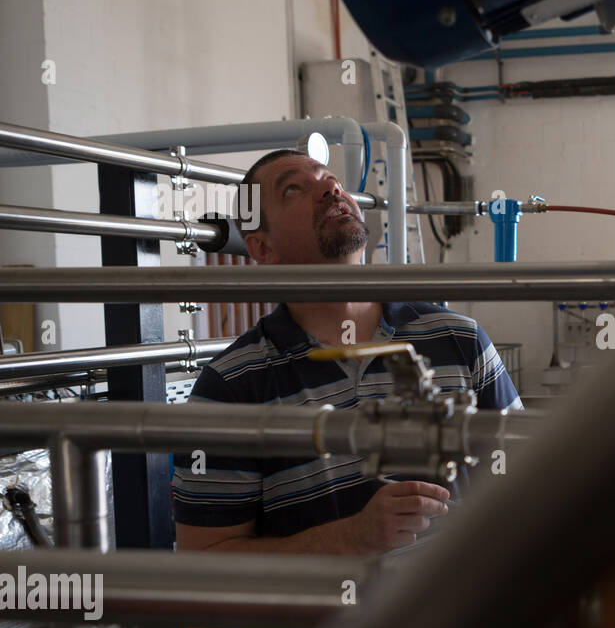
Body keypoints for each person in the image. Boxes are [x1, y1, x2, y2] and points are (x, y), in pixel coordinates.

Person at [171, 149, 521, 556]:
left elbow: (528, 484)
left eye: (330, 178)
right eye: (293, 189)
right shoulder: (232, 387)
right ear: (263, 248)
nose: (331, 188)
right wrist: (351, 538)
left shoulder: (459, 339)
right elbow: (205, 559)